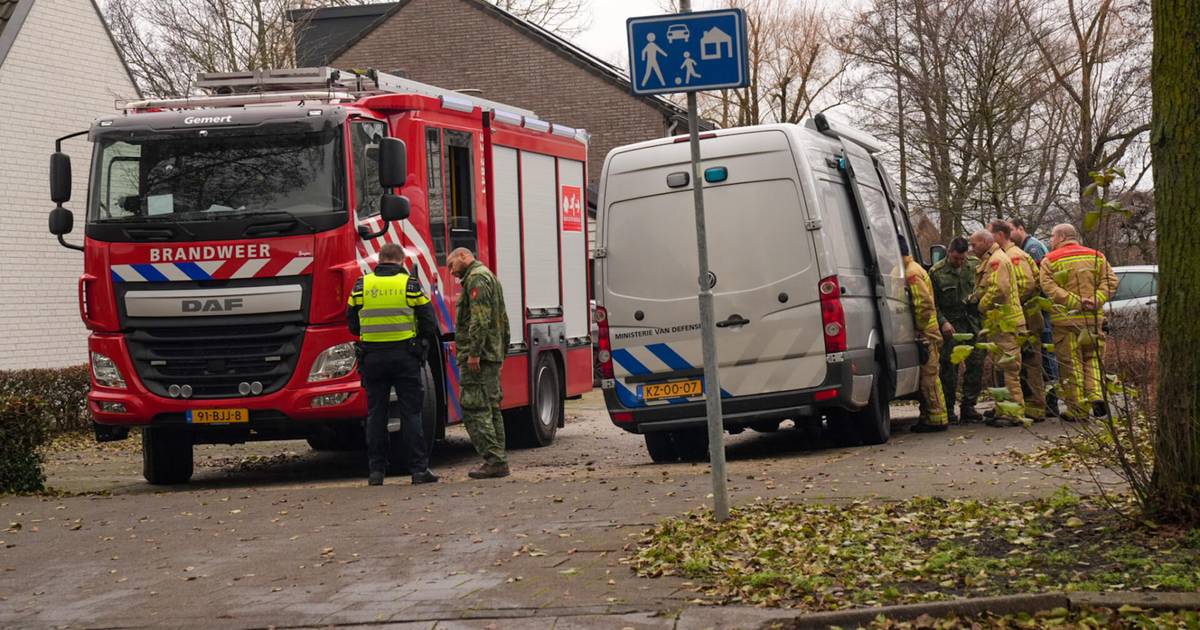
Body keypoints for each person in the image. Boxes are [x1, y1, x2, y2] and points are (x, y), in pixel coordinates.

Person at [347, 243, 440, 486]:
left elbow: (352, 323)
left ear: (380, 259)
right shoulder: (409, 284)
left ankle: (376, 472)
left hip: (372, 358)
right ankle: (419, 470)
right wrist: (420, 343)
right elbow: (428, 320)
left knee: (376, 414)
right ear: (400, 261)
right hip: (405, 357)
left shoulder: (362, 285)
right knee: (411, 413)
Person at [1039, 224, 1119, 421]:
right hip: (1093, 320)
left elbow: (1048, 287)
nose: (1051, 241)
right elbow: (1111, 281)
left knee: (1071, 364)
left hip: (1066, 322)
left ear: (1061, 237)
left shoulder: (1050, 260)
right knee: (1092, 359)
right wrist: (1096, 299)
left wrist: (1074, 302)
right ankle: (1095, 395)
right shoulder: (1097, 255)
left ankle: (1078, 410)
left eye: (1052, 236)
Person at [447, 248, 512, 479]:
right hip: (490, 354)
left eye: (452, 264)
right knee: (492, 407)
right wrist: (500, 352)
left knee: (475, 407)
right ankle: (498, 458)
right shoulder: (488, 276)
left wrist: (473, 353)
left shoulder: (476, 278)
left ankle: (494, 460)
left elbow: (480, 319)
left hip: (479, 357)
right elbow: (502, 318)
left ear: (464, 256)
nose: (452, 272)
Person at [968, 229, 1027, 426]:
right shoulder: (991, 259)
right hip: (998, 323)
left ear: (986, 242)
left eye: (974, 244)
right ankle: (1004, 408)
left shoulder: (997, 260)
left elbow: (998, 290)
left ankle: (1013, 413)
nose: (972, 248)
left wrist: (980, 305)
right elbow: (987, 287)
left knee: (1008, 369)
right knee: (1000, 369)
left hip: (1006, 323)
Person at [991, 220, 1047, 422]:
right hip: (1024, 317)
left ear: (999, 235)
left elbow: (1026, 285)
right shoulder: (1010, 255)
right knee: (1022, 363)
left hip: (1027, 318)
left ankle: (1035, 406)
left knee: (1030, 362)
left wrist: (1012, 303)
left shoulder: (1014, 256)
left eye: (990, 234)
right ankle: (1030, 405)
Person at [930, 237, 985, 423]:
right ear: (949, 253)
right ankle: (949, 409)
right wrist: (942, 322)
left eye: (962, 259)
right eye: (955, 259)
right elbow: (932, 304)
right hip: (951, 326)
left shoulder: (975, 265)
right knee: (949, 369)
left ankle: (968, 406)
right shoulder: (936, 272)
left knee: (976, 364)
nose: (959, 262)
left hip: (972, 323)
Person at [1012, 218, 1059, 417]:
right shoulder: (1028, 247)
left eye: (1011, 229)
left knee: (1046, 356)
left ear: (1020, 228)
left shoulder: (1032, 249)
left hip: (1039, 310)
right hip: (1037, 309)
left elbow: (1039, 282)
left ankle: (1052, 400)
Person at [901, 236, 948, 432]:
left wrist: (919, 327)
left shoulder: (912, 273)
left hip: (927, 332)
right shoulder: (912, 269)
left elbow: (924, 304)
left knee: (929, 377)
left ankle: (936, 418)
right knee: (927, 377)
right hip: (928, 331)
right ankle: (930, 414)